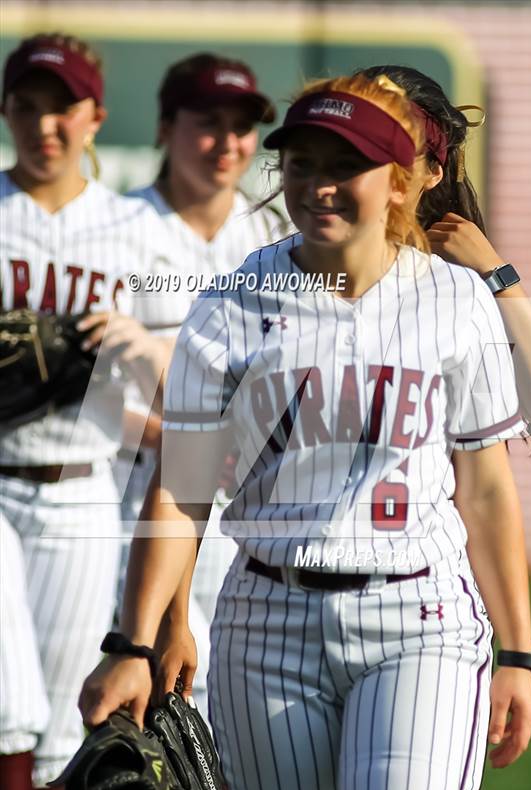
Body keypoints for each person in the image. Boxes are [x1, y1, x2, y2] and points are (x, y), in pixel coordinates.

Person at [80, 72, 531, 790]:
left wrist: (520, 654)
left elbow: (488, 489)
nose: (318, 184)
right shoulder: (230, 303)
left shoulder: (457, 300)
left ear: (399, 182)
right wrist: (134, 640)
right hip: (265, 620)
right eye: (300, 163)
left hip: (418, 615)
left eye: (345, 164)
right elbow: (182, 486)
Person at [0, 33, 174, 790]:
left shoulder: (136, 229)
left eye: (61, 106)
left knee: (63, 721)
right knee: (8, 702)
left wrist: (141, 343)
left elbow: (192, 394)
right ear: (5, 112)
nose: (44, 124)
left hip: (81, 489)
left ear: (95, 116)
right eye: (26, 105)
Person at [119, 51, 289, 718]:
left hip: (242, 507)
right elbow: (91, 383)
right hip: (126, 493)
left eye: (242, 127)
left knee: (229, 710)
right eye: (207, 123)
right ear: (164, 128)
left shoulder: (277, 235)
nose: (228, 143)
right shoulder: (118, 226)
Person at [362, 63, 531, 440]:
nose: (372, 169)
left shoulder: (458, 286)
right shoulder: (278, 265)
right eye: (355, 147)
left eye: (395, 152)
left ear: (433, 172)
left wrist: (497, 275)